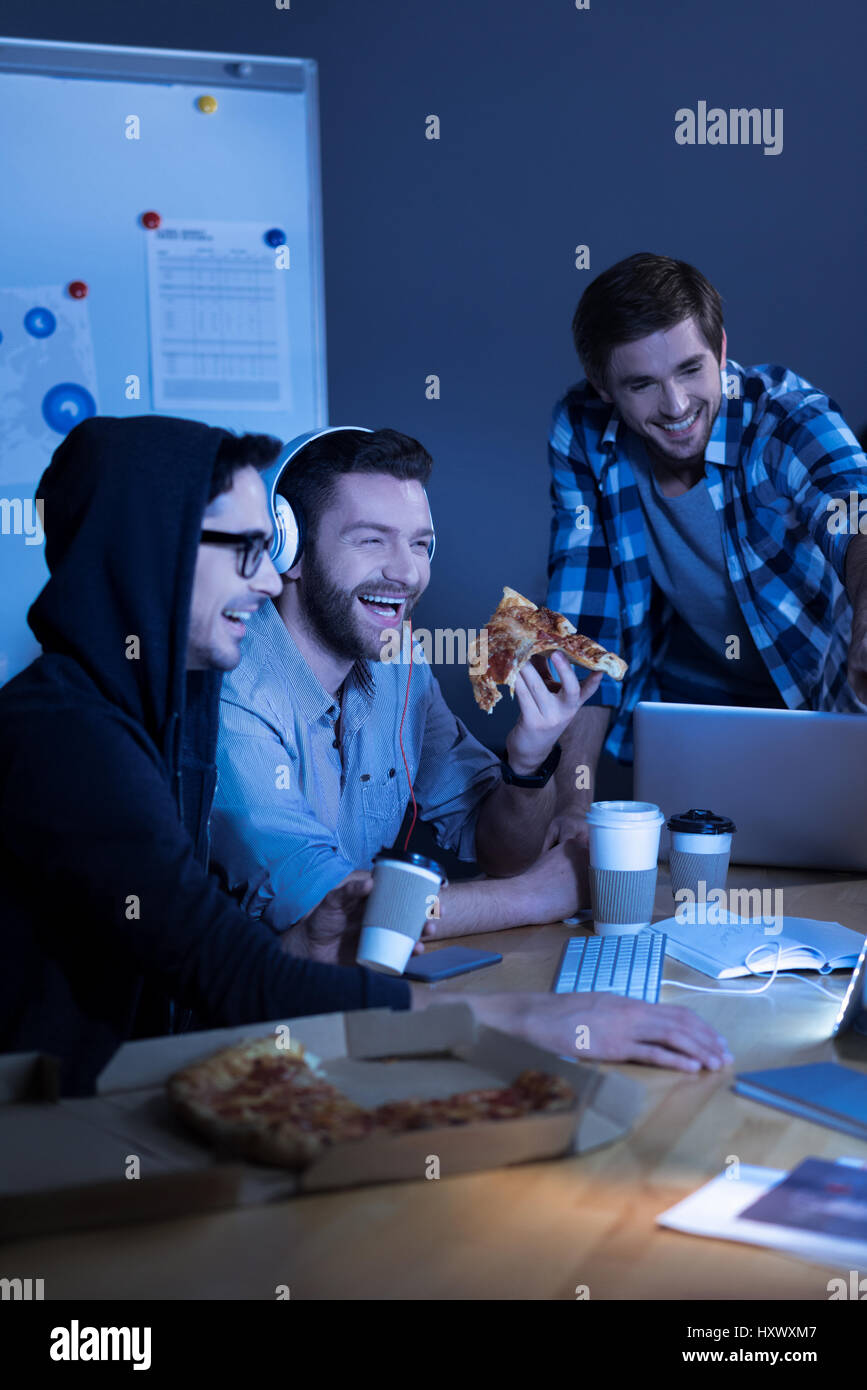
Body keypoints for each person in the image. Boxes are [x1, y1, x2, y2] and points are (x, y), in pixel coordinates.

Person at [0, 416, 730, 1093]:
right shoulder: (67, 735)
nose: (263, 577)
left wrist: (529, 758)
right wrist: (522, 1014)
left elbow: (200, 958)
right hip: (55, 1137)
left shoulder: (149, 711)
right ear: (152, 548)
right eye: (245, 550)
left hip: (134, 1084)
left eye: (420, 544)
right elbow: (224, 972)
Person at [210, 426, 601, 947]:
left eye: (420, 544)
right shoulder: (231, 690)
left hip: (356, 995)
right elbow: (332, 917)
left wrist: (528, 766)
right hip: (250, 1014)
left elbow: (504, 853)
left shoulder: (399, 662)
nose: (407, 572)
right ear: (290, 549)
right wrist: (538, 895)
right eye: (371, 539)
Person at [543, 252, 867, 848]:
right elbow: (583, 631)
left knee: (836, 872)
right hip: (696, 708)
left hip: (825, 692)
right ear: (603, 387)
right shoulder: (582, 431)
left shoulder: (787, 415)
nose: (674, 405)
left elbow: (854, 508)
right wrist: (571, 802)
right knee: (695, 883)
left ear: (721, 351)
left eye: (691, 369)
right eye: (641, 384)